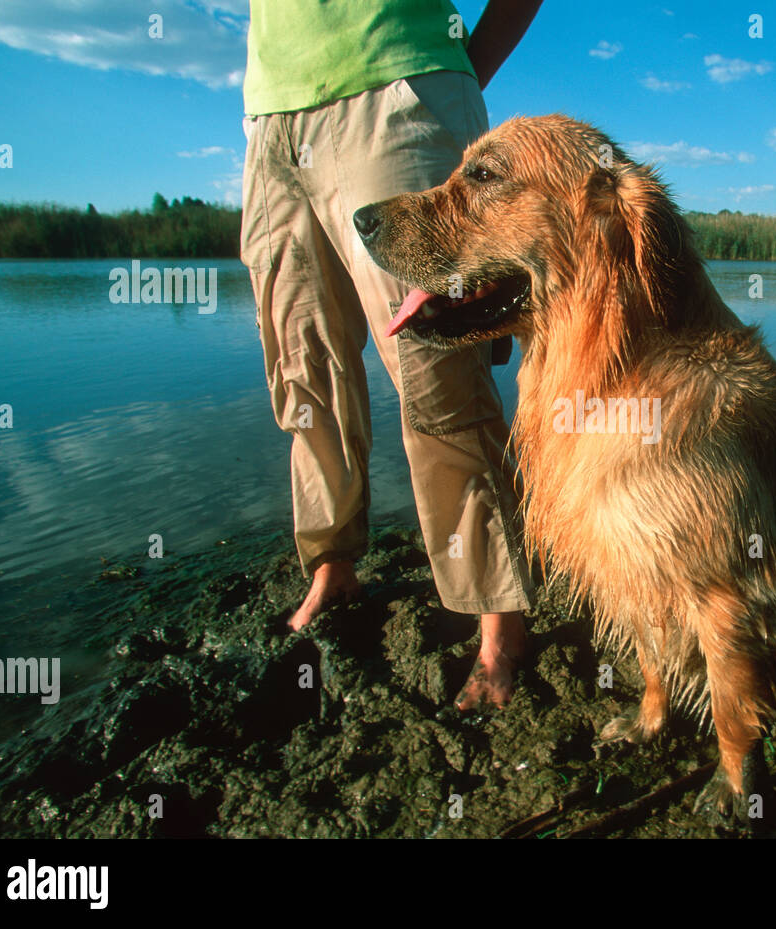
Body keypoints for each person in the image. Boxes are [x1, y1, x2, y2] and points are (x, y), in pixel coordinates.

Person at [239, 0, 543, 709]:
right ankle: (332, 563)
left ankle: (499, 618)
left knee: (437, 370)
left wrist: (457, 69)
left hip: (397, 89)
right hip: (272, 120)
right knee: (303, 365)